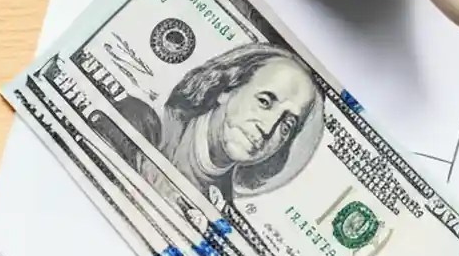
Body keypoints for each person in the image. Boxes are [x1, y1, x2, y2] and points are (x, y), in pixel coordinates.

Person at [89, 43, 321, 206]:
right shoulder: (136, 122)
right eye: (264, 101)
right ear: (227, 88)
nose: (268, 128)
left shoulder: (221, 216)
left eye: (286, 126)